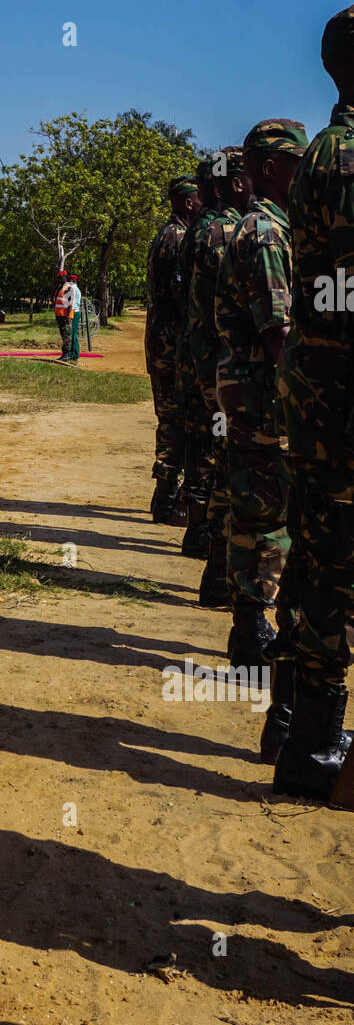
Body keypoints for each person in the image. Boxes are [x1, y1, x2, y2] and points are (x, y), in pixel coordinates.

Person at [273, 7, 354, 799]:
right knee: (334, 568)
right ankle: (316, 744)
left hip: (322, 391)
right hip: (342, 395)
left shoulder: (325, 150)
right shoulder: (349, 154)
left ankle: (305, 732)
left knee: (321, 555)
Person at [215, 119, 308, 672]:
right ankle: (251, 629)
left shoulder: (266, 228)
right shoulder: (267, 235)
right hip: (262, 396)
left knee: (256, 508)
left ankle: (250, 626)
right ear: (271, 168)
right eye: (297, 163)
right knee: (263, 513)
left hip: (253, 393)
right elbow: (278, 334)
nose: (306, 173)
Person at [189, 146, 253, 607]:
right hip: (231, 371)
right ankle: (221, 572)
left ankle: (216, 566)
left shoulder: (208, 229)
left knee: (223, 463)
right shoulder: (227, 230)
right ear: (235, 182)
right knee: (232, 469)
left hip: (214, 367)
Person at [145, 176, 201, 523]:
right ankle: (165, 499)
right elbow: (180, 297)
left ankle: (166, 496)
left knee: (172, 420)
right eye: (196, 198)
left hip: (163, 341)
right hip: (170, 344)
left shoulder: (169, 233)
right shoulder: (176, 238)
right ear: (183, 202)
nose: (200, 203)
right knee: (173, 421)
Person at [176, 159, 220, 558]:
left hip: (193, 351)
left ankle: (197, 524)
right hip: (213, 359)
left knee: (197, 438)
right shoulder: (217, 231)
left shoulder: (191, 233)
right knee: (211, 442)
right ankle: (205, 530)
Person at [53, 270, 74, 360]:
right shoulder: (59, 288)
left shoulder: (68, 288)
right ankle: (64, 353)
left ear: (64, 277)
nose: (59, 279)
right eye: (58, 278)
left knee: (66, 336)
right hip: (59, 315)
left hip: (65, 316)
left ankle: (67, 354)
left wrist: (68, 316)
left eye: (60, 278)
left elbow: (70, 303)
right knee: (63, 335)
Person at [67, 273, 82, 363]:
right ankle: (73, 353)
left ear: (72, 281)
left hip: (74, 312)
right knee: (73, 333)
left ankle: (75, 354)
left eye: (69, 280)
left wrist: (69, 315)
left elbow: (72, 303)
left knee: (73, 334)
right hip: (75, 312)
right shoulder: (76, 289)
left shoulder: (73, 289)